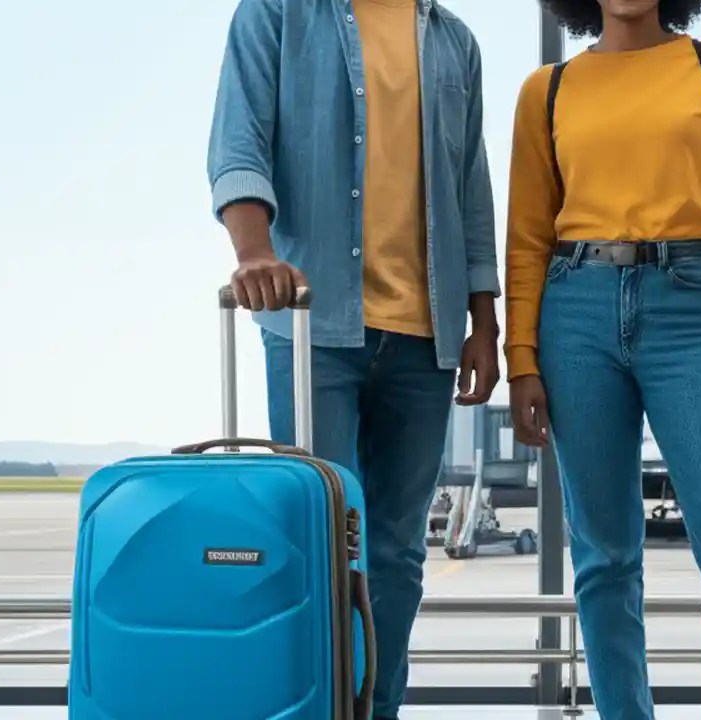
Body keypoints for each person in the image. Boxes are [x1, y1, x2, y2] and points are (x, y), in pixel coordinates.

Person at [505, 1, 701, 717]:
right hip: (573, 311)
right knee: (603, 560)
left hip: (694, 304)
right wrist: (522, 358)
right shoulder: (546, 91)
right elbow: (525, 237)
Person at [206, 2, 500, 718]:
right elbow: (238, 136)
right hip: (311, 331)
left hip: (426, 334)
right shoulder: (277, 13)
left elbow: (471, 187)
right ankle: (314, 707)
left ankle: (378, 710)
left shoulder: (453, 40)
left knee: (398, 557)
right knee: (317, 545)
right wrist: (253, 254)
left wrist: (485, 324)